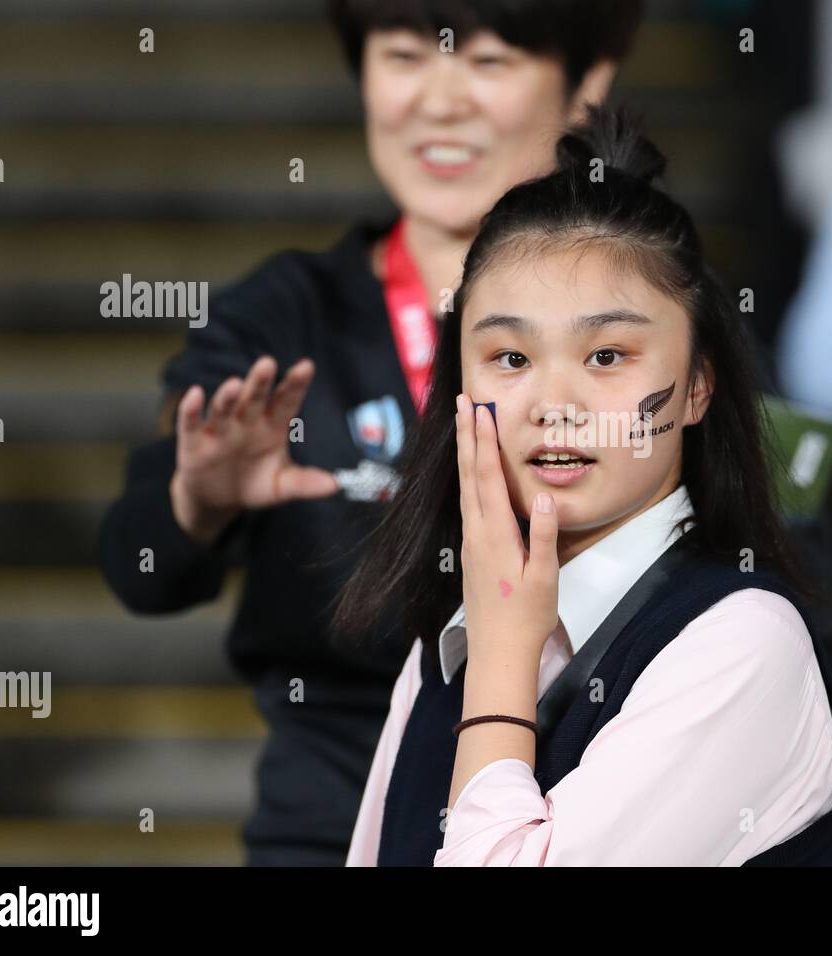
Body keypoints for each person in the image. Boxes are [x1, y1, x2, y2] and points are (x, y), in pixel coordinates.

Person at [98, 0, 643, 866]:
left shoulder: (659, 324)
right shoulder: (284, 314)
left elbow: (784, 588)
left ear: (590, 81)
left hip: (587, 830)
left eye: (489, 61)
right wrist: (195, 498)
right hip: (328, 829)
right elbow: (140, 569)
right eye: (402, 56)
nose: (439, 100)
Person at [337, 106, 832, 866]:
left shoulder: (742, 643)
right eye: (510, 359)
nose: (556, 404)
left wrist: (501, 664)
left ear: (696, 387)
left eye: (608, 356)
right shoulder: (442, 648)